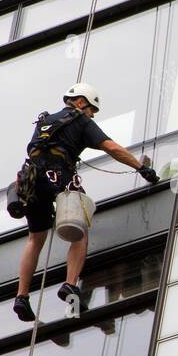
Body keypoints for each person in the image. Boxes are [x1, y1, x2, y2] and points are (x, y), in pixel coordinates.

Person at [9, 83, 158, 322]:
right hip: (59, 176)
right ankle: (70, 285)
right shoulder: (80, 120)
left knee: (35, 239)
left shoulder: (44, 121)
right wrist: (141, 168)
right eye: (91, 110)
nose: (92, 115)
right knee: (80, 230)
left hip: (30, 180)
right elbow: (111, 148)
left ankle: (21, 296)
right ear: (80, 102)